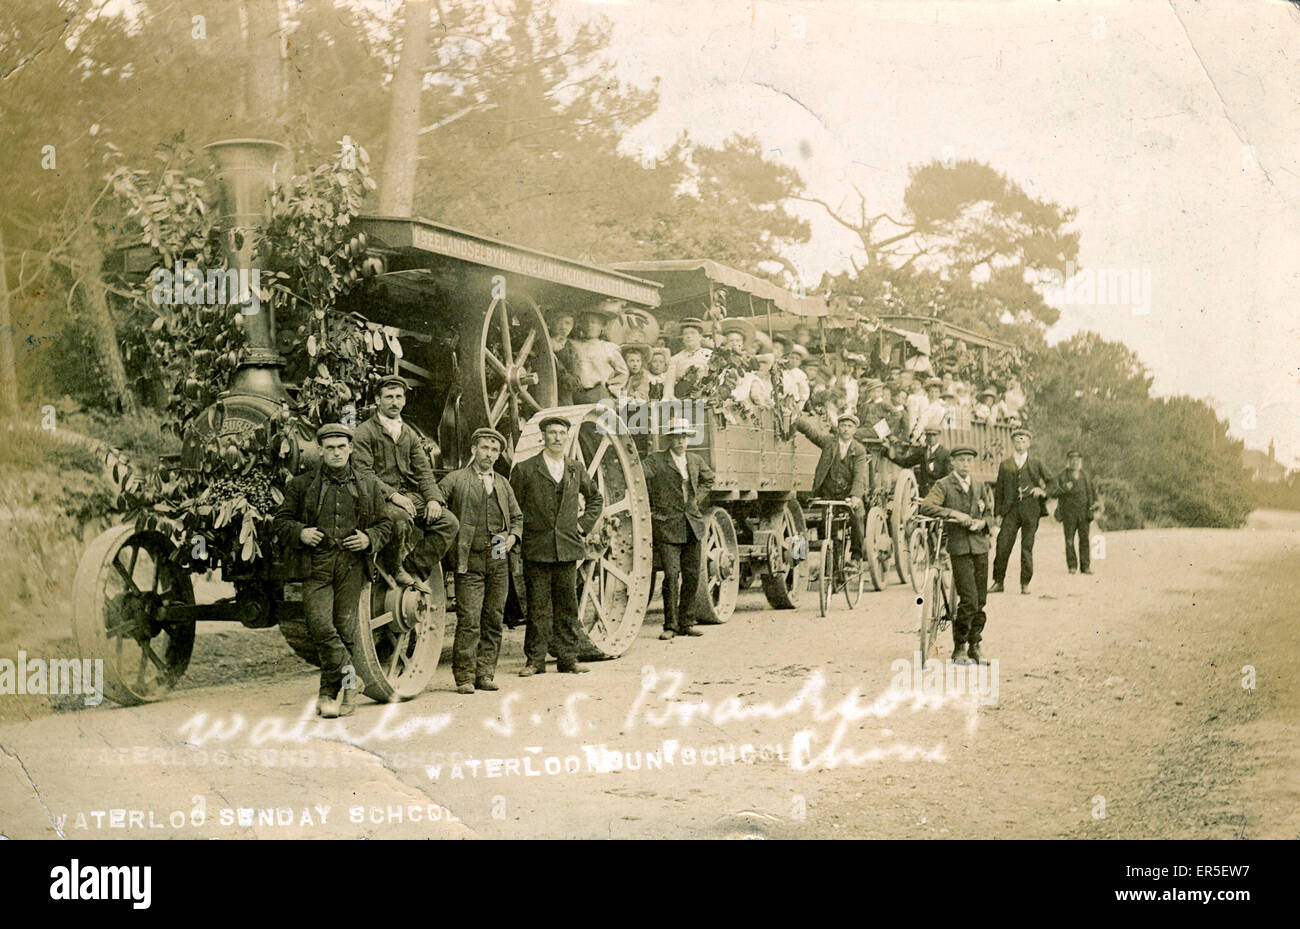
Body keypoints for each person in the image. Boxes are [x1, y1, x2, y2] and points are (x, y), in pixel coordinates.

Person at [273, 424, 393, 718]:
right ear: (320, 451)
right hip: (316, 564)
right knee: (319, 626)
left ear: (350, 448)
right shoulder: (302, 485)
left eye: (341, 446)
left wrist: (368, 538)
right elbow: (280, 521)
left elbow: (385, 525)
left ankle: (329, 692)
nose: (336, 452)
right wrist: (300, 532)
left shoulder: (367, 484)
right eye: (330, 448)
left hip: (352, 565)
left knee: (344, 628)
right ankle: (352, 681)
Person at [509, 415, 603, 675]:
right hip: (536, 548)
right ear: (543, 436)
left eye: (561, 433)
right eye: (552, 433)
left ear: (567, 437)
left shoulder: (575, 469)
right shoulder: (526, 469)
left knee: (567, 605)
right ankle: (535, 661)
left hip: (567, 548)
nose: (557, 437)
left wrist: (583, 525)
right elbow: (513, 508)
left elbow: (595, 498)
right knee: (538, 607)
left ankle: (568, 658)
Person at [351, 375, 459, 592]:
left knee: (449, 523)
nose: (394, 402)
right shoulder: (365, 432)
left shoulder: (408, 433)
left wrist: (433, 499)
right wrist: (393, 495)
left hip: (409, 497)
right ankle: (394, 567)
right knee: (400, 520)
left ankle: (412, 568)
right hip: (378, 498)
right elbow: (363, 473)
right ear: (378, 399)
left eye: (399, 397)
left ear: (405, 400)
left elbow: (424, 471)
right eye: (389, 397)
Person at [438, 427, 523, 694]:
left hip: (498, 554)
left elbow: (517, 518)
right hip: (469, 556)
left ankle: (485, 673)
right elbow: (436, 503)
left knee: (493, 618)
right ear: (473, 449)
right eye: (485, 448)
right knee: (469, 619)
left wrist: (513, 538)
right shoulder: (456, 479)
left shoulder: (502, 483)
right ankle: (464, 676)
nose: (489, 454)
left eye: (495, 450)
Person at [920, 445, 995, 663]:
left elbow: (990, 514)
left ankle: (975, 644)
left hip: (980, 546)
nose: (965, 464)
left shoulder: (979, 486)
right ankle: (959, 647)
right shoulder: (943, 485)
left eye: (968, 460)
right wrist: (954, 514)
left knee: (981, 599)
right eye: (960, 460)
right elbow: (926, 507)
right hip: (960, 548)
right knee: (969, 599)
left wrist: (983, 522)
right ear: (952, 462)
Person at [642, 418, 716, 640]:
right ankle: (670, 626)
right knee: (671, 576)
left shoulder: (694, 460)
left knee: (692, 575)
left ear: (688, 440)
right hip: (667, 526)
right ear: (669, 439)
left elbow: (709, 479)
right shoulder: (656, 460)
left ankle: (686, 622)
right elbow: (639, 475)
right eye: (676, 437)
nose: (680, 441)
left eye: (684, 437)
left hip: (692, 525)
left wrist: (696, 500)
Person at [794, 411, 868, 563]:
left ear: (854, 430)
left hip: (847, 496)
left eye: (849, 426)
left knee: (858, 517)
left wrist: (855, 496)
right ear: (838, 428)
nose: (846, 429)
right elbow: (812, 433)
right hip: (828, 495)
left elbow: (860, 475)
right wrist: (796, 419)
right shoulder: (829, 442)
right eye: (843, 425)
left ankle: (856, 555)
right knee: (826, 528)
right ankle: (825, 559)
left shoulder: (859, 450)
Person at [992, 426, 1054, 594]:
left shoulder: (1036, 463)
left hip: (1031, 509)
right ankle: (998, 582)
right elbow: (999, 491)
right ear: (1012, 442)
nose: (1020, 443)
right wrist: (997, 513)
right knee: (1003, 544)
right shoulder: (1005, 464)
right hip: (1010, 510)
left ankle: (1025, 583)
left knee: (1027, 546)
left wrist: (1043, 491)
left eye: (1023, 440)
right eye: (1017, 439)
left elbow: (1052, 482)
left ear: (1029, 443)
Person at [569, 303, 628, 402]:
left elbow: (622, 373)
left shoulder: (609, 348)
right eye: (586, 322)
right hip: (576, 394)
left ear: (602, 326)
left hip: (599, 393)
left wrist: (611, 389)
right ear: (581, 325)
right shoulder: (573, 345)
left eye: (594, 322)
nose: (589, 325)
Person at [1053, 450, 1098, 575]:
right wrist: (1064, 488)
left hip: (1084, 513)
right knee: (1069, 540)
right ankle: (1072, 566)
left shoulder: (1086, 476)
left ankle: (1085, 567)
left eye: (1077, 459)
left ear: (1080, 461)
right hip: (1068, 514)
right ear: (1068, 462)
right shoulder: (1062, 476)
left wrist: (1095, 504)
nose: (1075, 462)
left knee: (1084, 540)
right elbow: (1053, 492)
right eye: (1072, 460)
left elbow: (1093, 493)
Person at [887, 425, 951, 498]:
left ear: (939, 436)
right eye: (928, 435)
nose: (931, 438)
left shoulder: (945, 454)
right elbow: (905, 463)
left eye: (934, 435)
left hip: (938, 494)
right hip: (922, 494)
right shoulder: (922, 451)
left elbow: (948, 477)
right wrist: (890, 453)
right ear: (926, 436)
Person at [664, 318, 712, 400]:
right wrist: (669, 396)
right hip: (682, 400)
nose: (689, 336)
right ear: (682, 338)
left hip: (705, 399)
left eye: (693, 333)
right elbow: (669, 382)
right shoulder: (676, 358)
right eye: (685, 333)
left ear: (700, 336)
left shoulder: (709, 355)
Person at [548, 310, 578, 406]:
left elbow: (574, 383)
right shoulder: (538, 343)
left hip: (561, 400)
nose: (563, 326)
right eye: (559, 321)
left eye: (568, 323)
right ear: (551, 323)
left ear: (572, 327)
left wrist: (556, 364)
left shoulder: (571, 350)